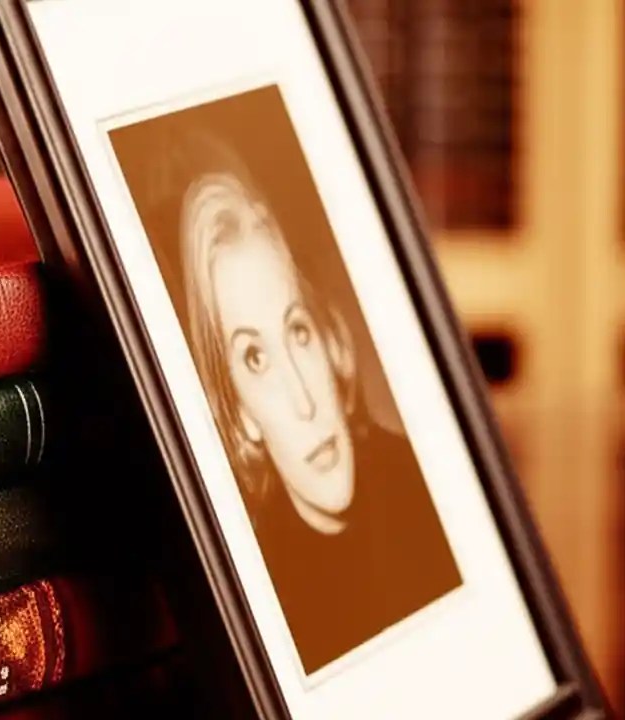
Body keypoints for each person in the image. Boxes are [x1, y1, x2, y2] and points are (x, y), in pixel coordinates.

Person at [161, 128, 462, 675]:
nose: (303, 400)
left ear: (327, 339)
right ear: (241, 415)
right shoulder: (252, 607)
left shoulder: (437, 494)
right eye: (255, 358)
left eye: (297, 331)